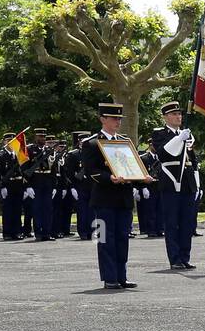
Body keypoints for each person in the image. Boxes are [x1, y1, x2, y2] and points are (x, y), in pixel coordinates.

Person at [80, 103, 138, 290]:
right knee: (105, 239)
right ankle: (109, 277)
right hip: (104, 199)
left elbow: (131, 166)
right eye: (114, 118)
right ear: (102, 119)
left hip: (123, 198)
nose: (117, 122)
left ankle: (122, 276)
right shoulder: (91, 143)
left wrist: (140, 178)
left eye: (119, 119)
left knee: (122, 238)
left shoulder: (124, 141)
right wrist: (109, 177)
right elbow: (90, 171)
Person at [150, 100, 198, 270]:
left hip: (187, 182)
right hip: (170, 181)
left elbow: (193, 161)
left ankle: (185, 257)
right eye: (174, 114)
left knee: (187, 222)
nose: (178, 117)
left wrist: (197, 184)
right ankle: (175, 258)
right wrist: (179, 138)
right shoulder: (159, 134)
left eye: (179, 114)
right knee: (172, 222)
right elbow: (164, 154)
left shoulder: (187, 134)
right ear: (165, 117)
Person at [0, 133, 26, 241]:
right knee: (8, 210)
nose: (10, 143)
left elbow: (23, 171)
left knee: (17, 210)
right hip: (7, 185)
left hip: (18, 185)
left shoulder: (19, 154)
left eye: (13, 140)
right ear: (4, 142)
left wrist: (25, 187)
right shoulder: (0, 155)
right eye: (8, 140)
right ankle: (7, 233)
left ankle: (17, 231)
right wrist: (1, 187)